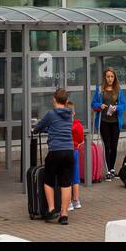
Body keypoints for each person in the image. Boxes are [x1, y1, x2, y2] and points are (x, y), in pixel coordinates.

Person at [31, 88, 76, 225]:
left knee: (49, 181)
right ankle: (64, 215)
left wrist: (36, 129)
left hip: (55, 151)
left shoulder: (51, 114)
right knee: (66, 183)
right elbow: (59, 127)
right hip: (69, 151)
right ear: (67, 101)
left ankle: (51, 210)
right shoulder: (70, 115)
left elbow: (38, 127)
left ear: (54, 100)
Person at [90, 66, 126, 179]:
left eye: (112, 76)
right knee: (108, 145)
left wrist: (117, 108)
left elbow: (124, 106)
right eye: (108, 77)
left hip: (115, 122)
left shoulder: (119, 90)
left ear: (114, 78)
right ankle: (108, 170)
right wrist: (99, 105)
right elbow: (93, 104)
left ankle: (112, 168)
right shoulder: (100, 90)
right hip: (103, 121)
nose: (110, 79)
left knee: (114, 146)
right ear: (105, 78)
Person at [69, 101, 85, 212]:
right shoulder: (78, 125)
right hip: (75, 151)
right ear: (74, 113)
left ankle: (68, 202)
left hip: (66, 151)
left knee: (66, 177)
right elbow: (80, 140)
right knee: (75, 177)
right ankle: (76, 200)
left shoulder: (63, 126)